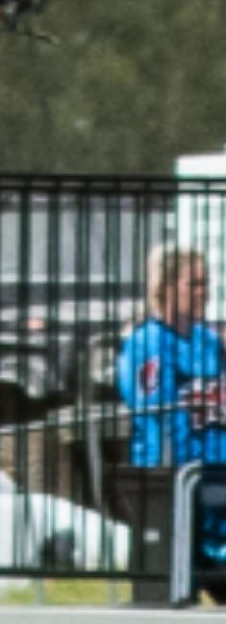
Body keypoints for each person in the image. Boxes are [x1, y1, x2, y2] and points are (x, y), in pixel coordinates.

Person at [117, 245, 226, 592]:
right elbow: (155, 415)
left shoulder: (208, 341)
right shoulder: (147, 344)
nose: (203, 293)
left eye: (205, 284)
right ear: (164, 287)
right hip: (177, 478)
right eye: (192, 284)